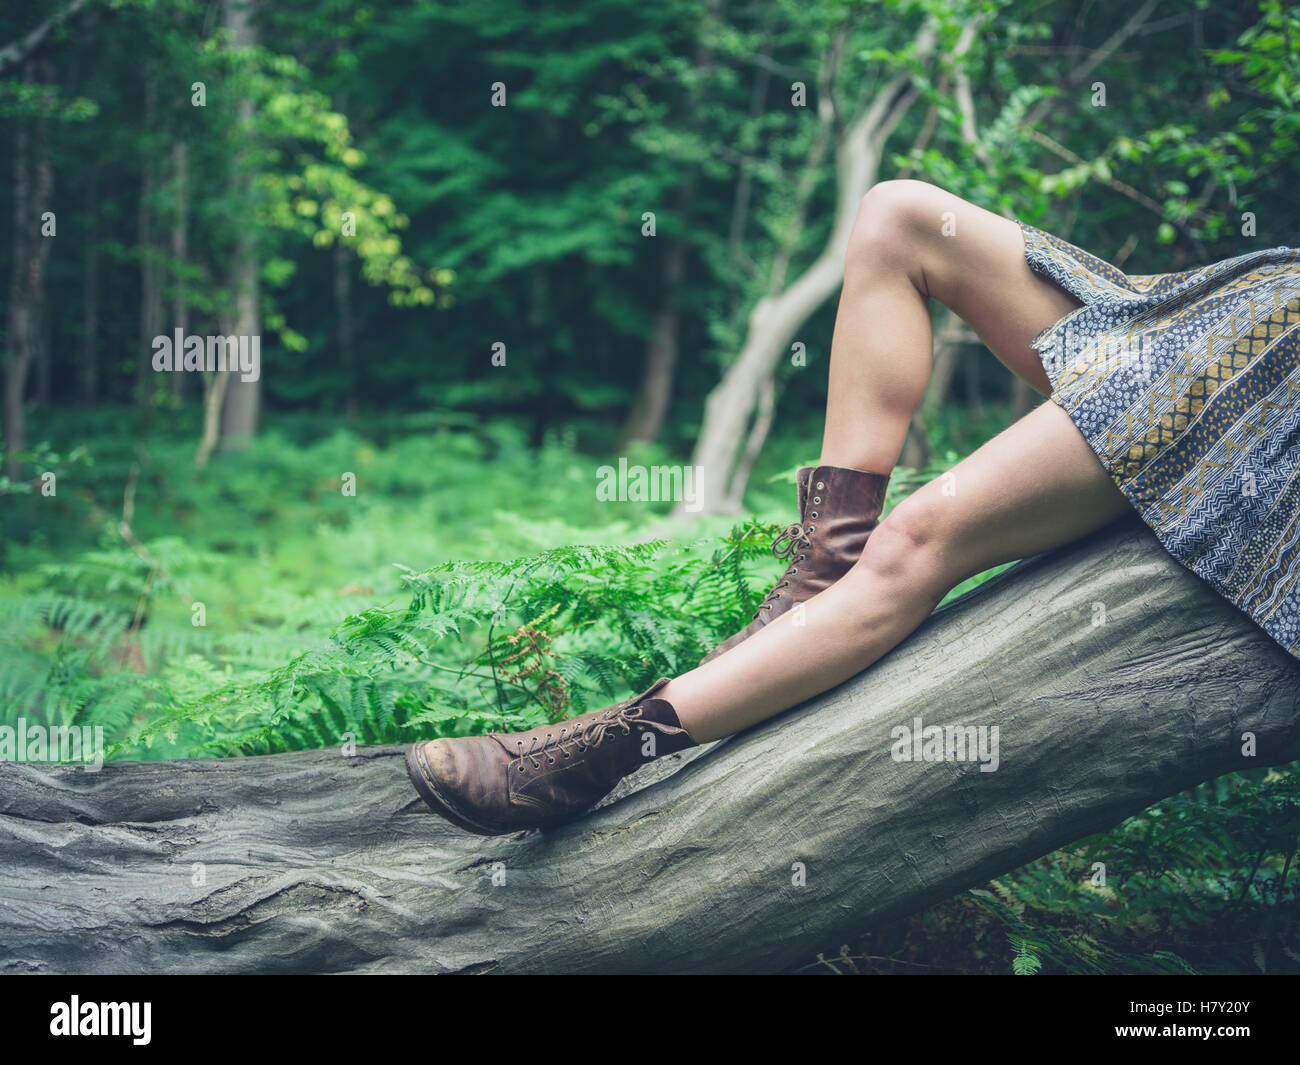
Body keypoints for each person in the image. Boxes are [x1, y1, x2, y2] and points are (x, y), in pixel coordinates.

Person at [406, 178, 1300, 836]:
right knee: (898, 214)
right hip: (1226, 318)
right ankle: (822, 563)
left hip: (1267, 394)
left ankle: (599, 753)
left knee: (918, 535)